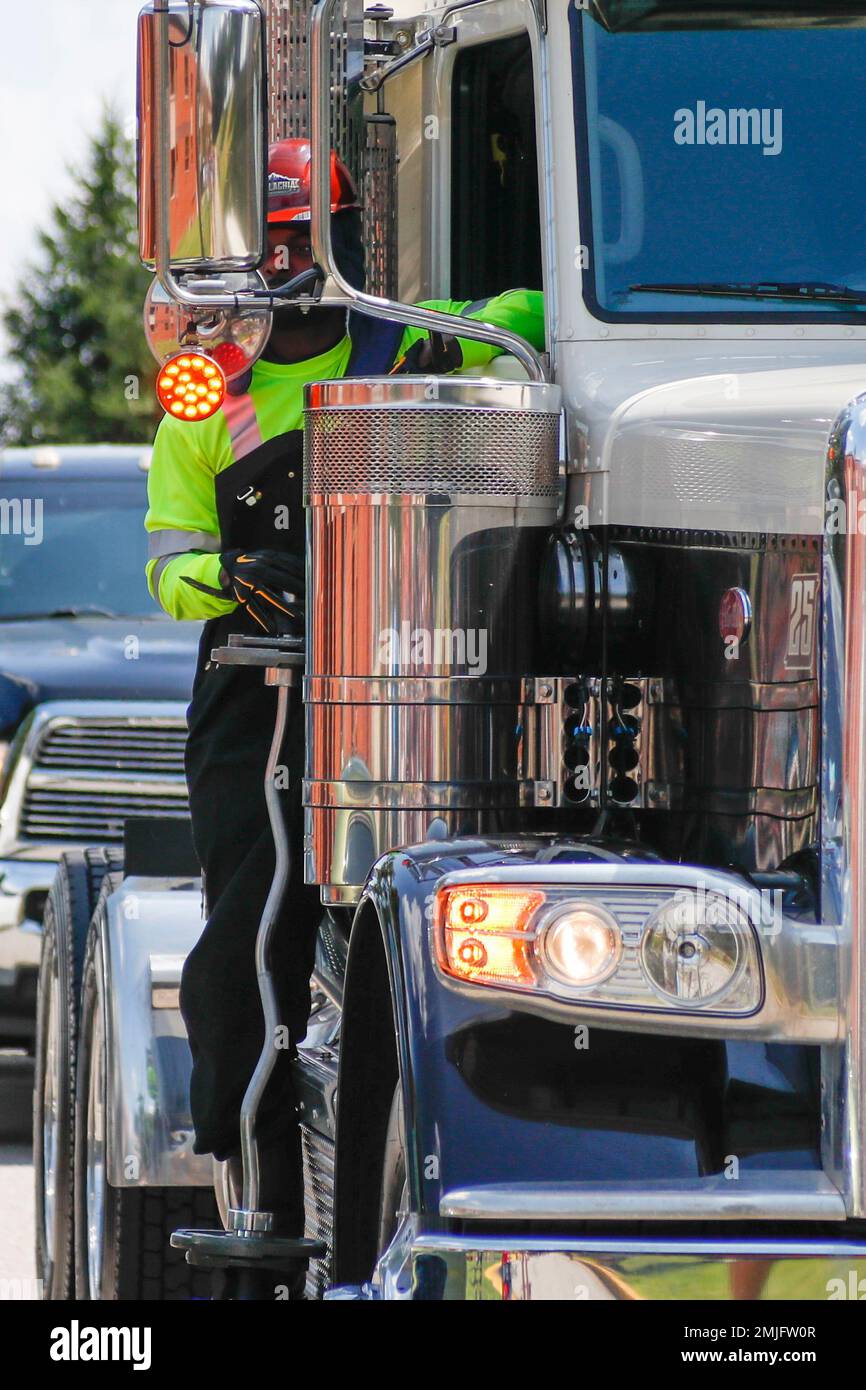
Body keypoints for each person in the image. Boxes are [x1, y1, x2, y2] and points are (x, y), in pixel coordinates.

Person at [144, 136, 545, 1288]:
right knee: (252, 927)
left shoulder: (419, 340)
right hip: (256, 687)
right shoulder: (200, 398)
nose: (289, 260)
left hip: (409, 660)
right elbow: (170, 568)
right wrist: (240, 579)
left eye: (309, 233)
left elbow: (536, 305)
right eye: (268, 243)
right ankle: (258, 1180)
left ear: (351, 232)